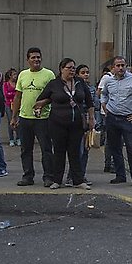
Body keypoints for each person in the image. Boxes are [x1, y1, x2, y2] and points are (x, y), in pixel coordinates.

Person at [34, 58, 94, 190]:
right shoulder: (54, 84)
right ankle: (57, 180)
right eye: (69, 67)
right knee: (59, 152)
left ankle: (78, 180)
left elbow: (89, 102)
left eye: (74, 68)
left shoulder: (80, 83)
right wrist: (43, 105)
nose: (72, 70)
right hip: (57, 123)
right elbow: (41, 99)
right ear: (62, 69)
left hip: (76, 124)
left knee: (75, 152)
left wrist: (91, 119)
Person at [100, 56, 132, 189]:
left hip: (128, 119)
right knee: (115, 148)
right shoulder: (109, 81)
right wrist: (104, 105)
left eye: (123, 65)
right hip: (112, 118)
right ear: (113, 68)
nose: (121, 68)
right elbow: (103, 94)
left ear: (126, 66)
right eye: (118, 66)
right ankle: (120, 175)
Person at [11, 47, 55, 187]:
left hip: (43, 119)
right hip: (25, 118)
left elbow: (53, 95)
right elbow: (18, 96)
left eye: (38, 57)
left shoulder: (49, 74)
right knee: (26, 149)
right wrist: (14, 116)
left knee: (46, 149)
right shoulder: (23, 75)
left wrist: (43, 103)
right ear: (28, 60)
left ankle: (48, 177)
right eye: (33, 57)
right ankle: (28, 176)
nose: (36, 60)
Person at [75, 64, 96, 183]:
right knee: (78, 150)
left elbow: (94, 104)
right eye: (83, 72)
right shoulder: (75, 88)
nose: (86, 75)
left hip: (88, 121)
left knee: (86, 150)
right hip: (79, 121)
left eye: (87, 72)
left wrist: (92, 119)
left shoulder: (91, 88)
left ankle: (81, 174)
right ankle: (74, 176)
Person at [2, 68, 19, 147]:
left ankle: (18, 138)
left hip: (17, 104)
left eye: (16, 74)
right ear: (10, 75)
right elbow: (6, 94)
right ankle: (11, 139)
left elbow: (19, 93)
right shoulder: (6, 84)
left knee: (18, 121)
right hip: (9, 104)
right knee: (10, 121)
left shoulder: (18, 83)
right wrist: (14, 93)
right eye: (14, 74)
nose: (15, 76)